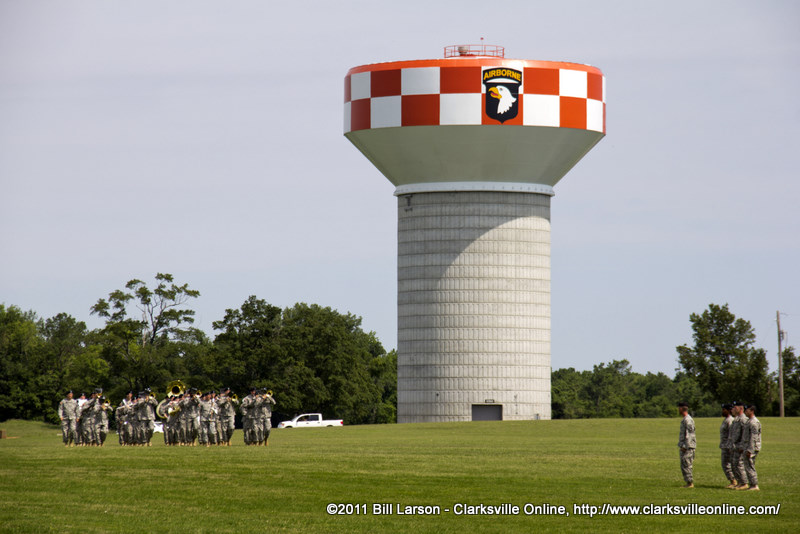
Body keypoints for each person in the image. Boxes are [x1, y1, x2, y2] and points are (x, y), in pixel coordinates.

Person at [737, 405, 761, 491]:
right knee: (747, 466)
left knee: (750, 466)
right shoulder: (749, 421)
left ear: (752, 411)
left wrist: (750, 450)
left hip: (751, 448)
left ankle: (754, 485)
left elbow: (753, 437)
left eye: (747, 410)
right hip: (746, 447)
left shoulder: (754, 422)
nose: (745, 412)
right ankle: (752, 484)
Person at [729, 401, 748, 488]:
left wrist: (742, 446)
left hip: (740, 446)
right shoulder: (736, 419)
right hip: (734, 446)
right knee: (734, 465)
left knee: (739, 465)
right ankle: (740, 482)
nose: (733, 409)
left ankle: (744, 483)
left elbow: (745, 434)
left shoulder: (743, 419)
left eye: (735, 407)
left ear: (741, 408)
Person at [677, 402, 696, 488]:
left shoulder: (688, 420)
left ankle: (690, 483)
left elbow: (689, 434)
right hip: (686, 445)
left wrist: (685, 446)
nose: (678, 410)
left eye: (679, 408)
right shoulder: (685, 419)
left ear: (682, 408)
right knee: (684, 464)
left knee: (687, 464)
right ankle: (688, 482)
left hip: (688, 447)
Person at [719, 403, 734, 487]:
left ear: (729, 410)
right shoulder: (726, 420)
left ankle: (733, 481)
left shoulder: (730, 420)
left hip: (728, 446)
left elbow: (731, 435)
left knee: (727, 464)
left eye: (724, 409)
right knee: (725, 464)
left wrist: (729, 446)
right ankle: (733, 481)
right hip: (724, 445)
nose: (722, 411)